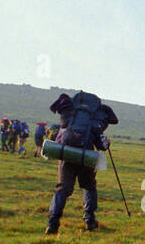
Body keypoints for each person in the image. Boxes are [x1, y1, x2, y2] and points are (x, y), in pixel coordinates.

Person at [45, 91, 117, 234]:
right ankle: (89, 220)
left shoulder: (69, 116)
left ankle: (53, 223)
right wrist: (106, 143)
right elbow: (102, 146)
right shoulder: (95, 120)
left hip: (66, 155)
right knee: (89, 186)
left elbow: (59, 136)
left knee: (62, 189)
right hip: (86, 156)